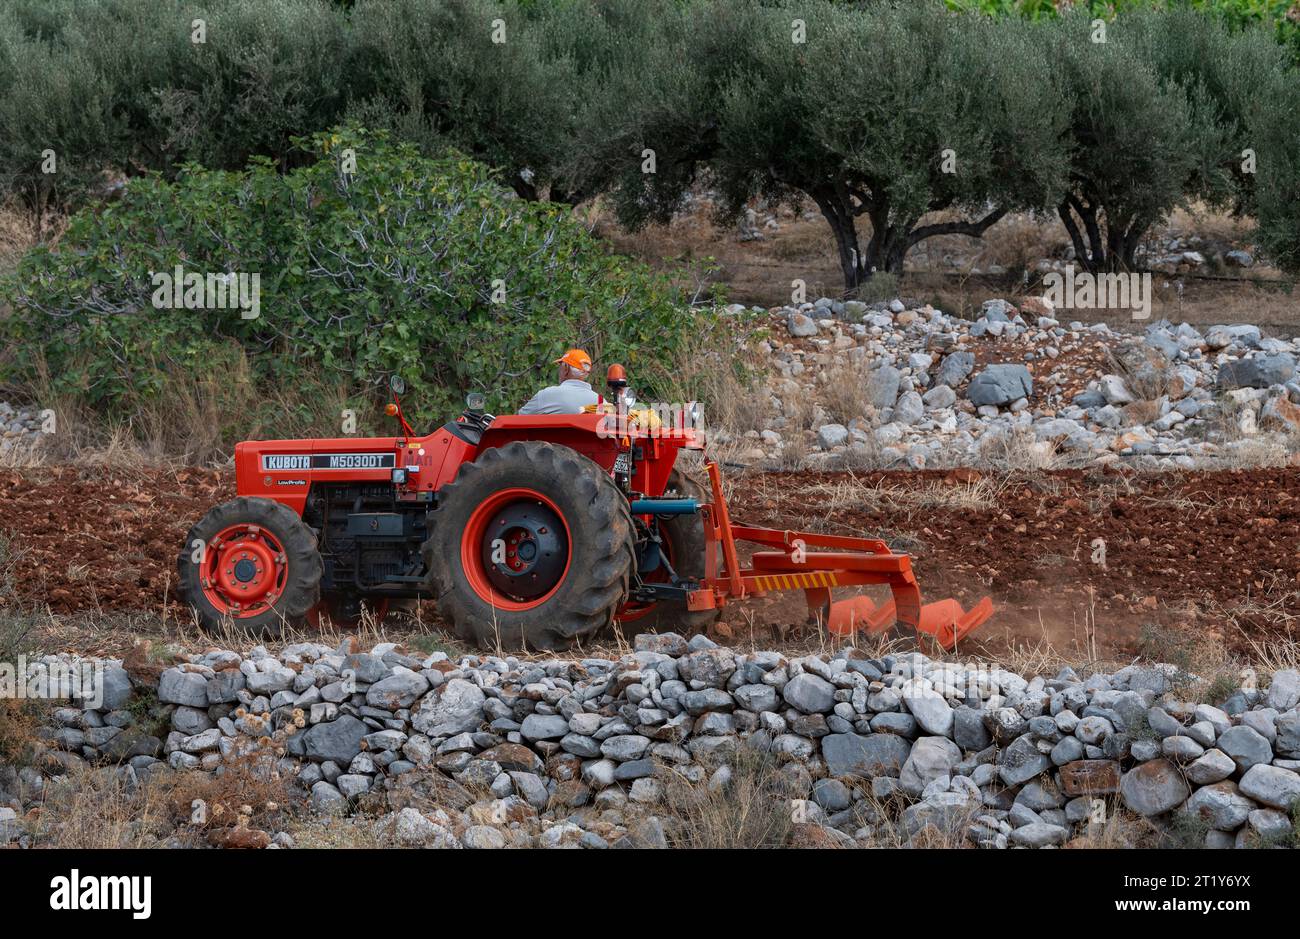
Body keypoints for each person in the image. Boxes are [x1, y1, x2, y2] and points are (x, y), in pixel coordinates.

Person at [517, 348, 601, 415]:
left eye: (560, 366)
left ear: (566, 369)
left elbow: (518, 420)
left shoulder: (546, 396)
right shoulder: (602, 403)